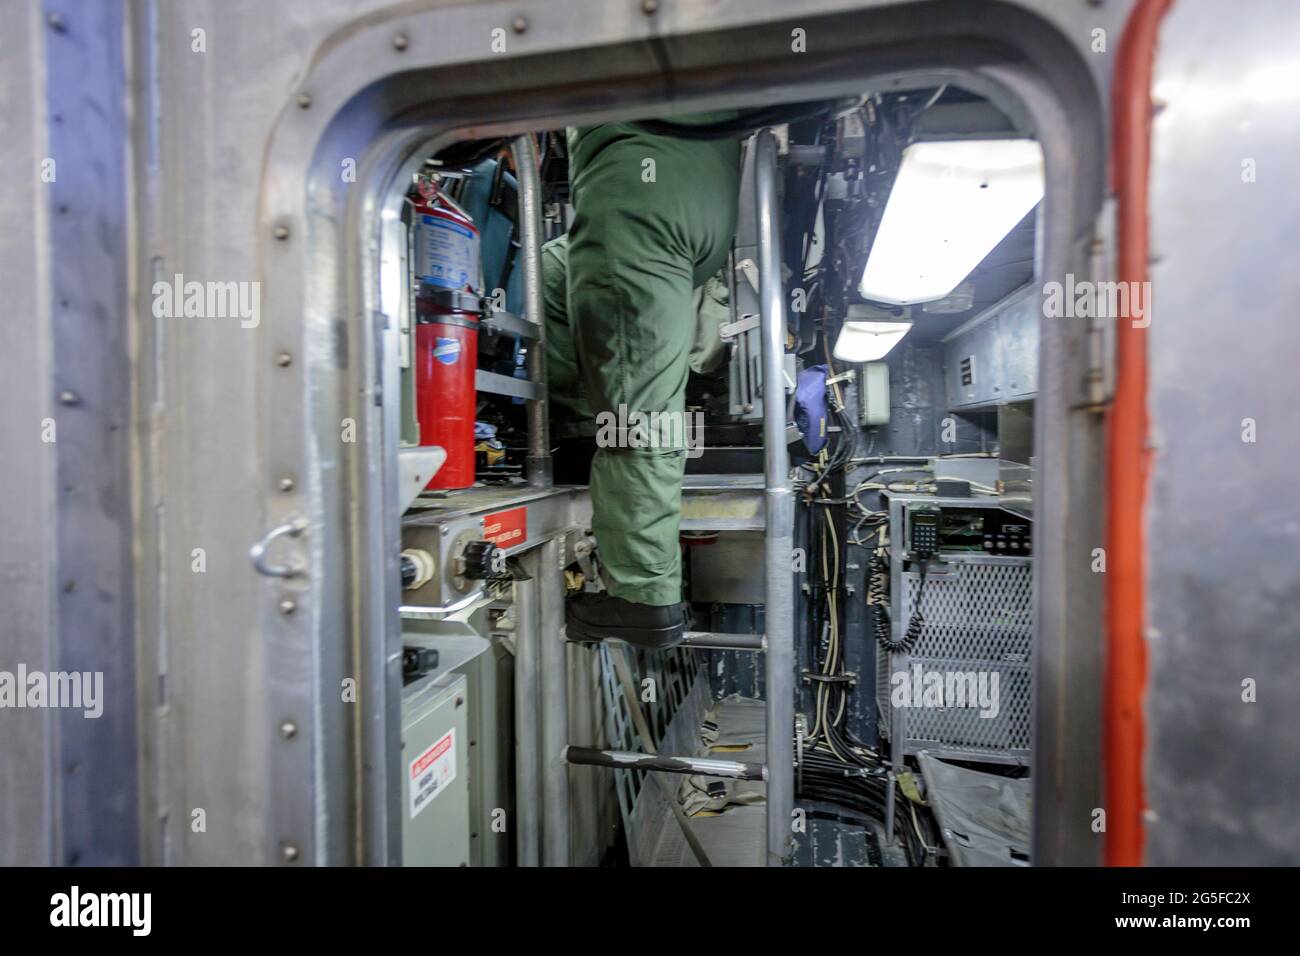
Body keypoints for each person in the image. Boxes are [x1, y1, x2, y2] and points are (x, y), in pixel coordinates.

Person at [556, 118, 741, 648]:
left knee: (635, 414)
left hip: (640, 199)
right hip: (701, 198)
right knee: (555, 275)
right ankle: (578, 433)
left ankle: (641, 597)